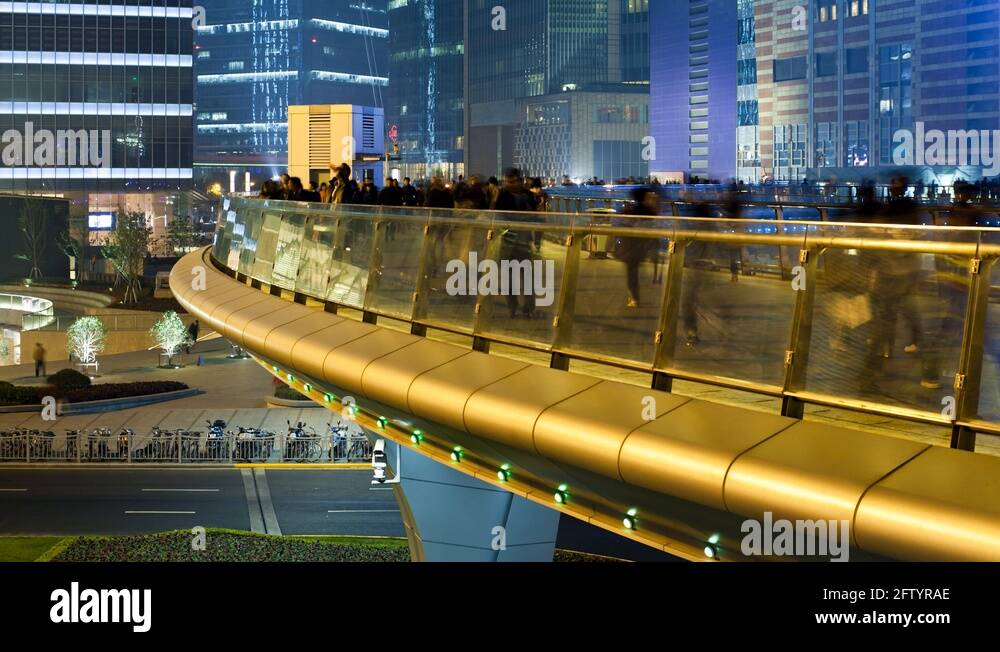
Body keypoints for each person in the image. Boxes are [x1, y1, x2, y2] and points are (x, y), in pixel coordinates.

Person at [616, 187, 660, 308]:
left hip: (630, 245)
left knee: (632, 271)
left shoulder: (630, 209)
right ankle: (637, 293)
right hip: (643, 245)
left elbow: (619, 222)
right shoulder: (648, 210)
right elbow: (655, 222)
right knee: (636, 269)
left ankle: (634, 297)